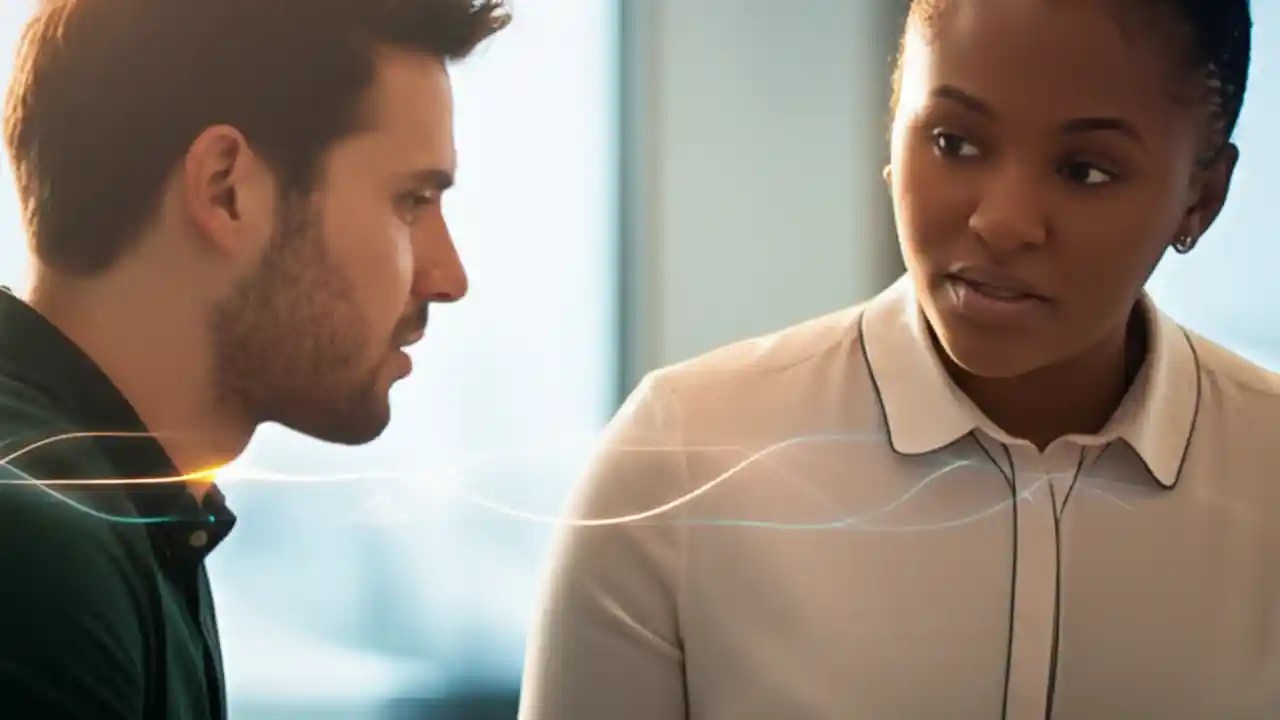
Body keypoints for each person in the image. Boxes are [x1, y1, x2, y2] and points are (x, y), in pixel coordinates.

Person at [520, 0, 1276, 717]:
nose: (1002, 222)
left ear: (1200, 198)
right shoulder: (681, 462)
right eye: (954, 142)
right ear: (894, 126)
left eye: (1085, 170)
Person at [0, 1, 508, 718]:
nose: (448, 277)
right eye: (410, 200)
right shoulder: (38, 549)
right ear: (225, 189)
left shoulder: (127, 508)